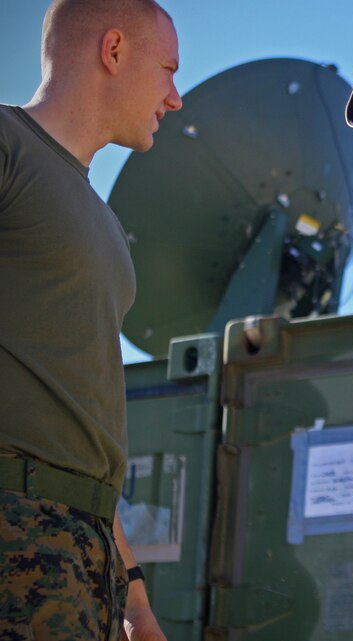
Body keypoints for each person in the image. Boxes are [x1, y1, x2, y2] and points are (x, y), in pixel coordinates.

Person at [0, 1, 182, 639]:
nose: (176, 97)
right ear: (114, 51)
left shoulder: (100, 217)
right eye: (168, 70)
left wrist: (135, 600)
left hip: (85, 556)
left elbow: (82, 426)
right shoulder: (7, 144)